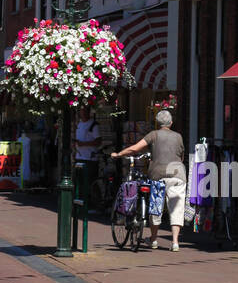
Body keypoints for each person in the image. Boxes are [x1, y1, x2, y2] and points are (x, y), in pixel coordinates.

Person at [112, 109, 186, 251]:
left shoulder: (154, 135)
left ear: (157, 123)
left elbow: (135, 148)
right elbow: (181, 156)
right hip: (178, 175)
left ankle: (153, 239)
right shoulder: (178, 137)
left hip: (158, 175)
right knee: (177, 208)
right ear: (171, 122)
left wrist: (119, 154)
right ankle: (175, 242)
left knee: (156, 207)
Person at [74, 103, 101, 207]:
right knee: (80, 182)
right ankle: (82, 203)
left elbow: (98, 141)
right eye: (81, 111)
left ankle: (96, 204)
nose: (83, 113)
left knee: (91, 182)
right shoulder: (79, 124)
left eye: (85, 111)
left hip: (90, 158)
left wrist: (83, 144)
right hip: (79, 157)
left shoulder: (94, 125)